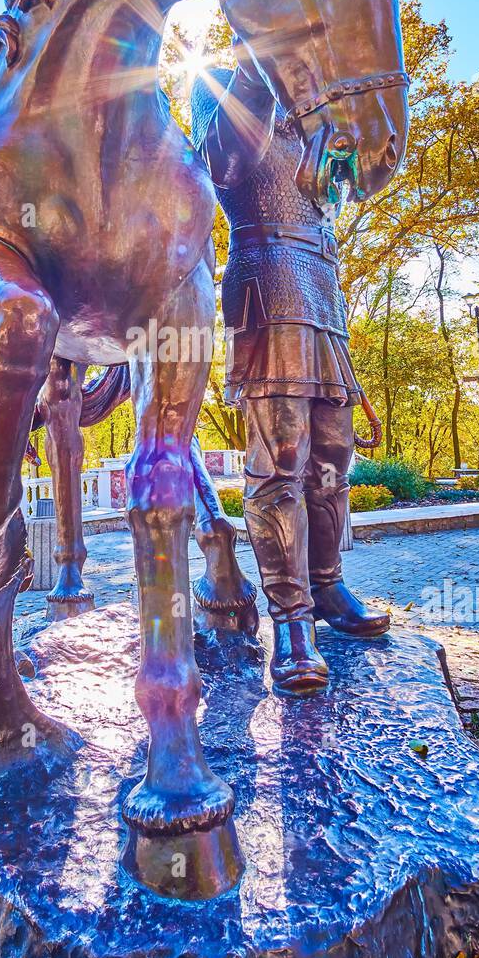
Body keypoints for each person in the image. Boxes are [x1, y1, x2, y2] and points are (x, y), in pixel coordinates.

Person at [191, 60, 389, 696]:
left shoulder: (312, 117)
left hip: (324, 296)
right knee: (278, 466)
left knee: (332, 458)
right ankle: (292, 621)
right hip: (268, 288)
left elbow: (347, 189)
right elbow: (221, 165)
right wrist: (258, 64)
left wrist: (346, 142)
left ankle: (327, 585)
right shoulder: (224, 92)